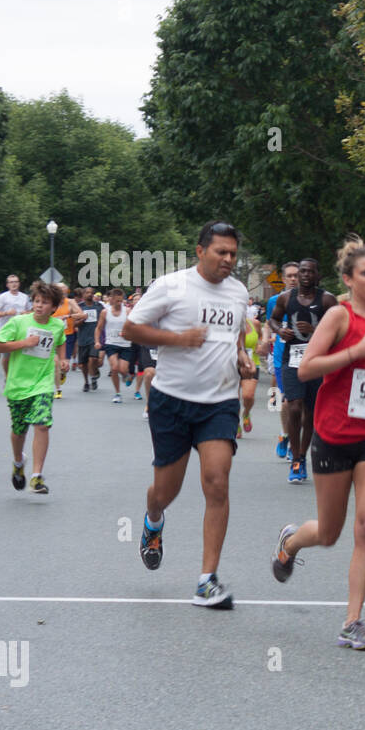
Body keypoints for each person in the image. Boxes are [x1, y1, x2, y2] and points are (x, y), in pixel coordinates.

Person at [272, 240, 365, 650]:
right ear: (349, 279)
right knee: (331, 532)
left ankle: (352, 621)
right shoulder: (339, 315)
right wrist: (354, 350)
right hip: (333, 436)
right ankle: (291, 540)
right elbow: (305, 368)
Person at [123, 221, 256, 610]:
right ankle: (152, 518)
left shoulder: (238, 292)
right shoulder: (171, 286)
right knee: (166, 492)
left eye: (233, 253)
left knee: (217, 482)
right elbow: (132, 329)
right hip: (172, 401)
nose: (228, 260)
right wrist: (178, 339)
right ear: (200, 251)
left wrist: (242, 356)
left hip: (219, 402)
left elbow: (233, 337)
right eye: (221, 252)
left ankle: (206, 580)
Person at [0, 280, 69, 495]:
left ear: (54, 307)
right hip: (18, 385)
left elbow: (61, 340)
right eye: (36, 301)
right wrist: (25, 343)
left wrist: (63, 360)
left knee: (42, 424)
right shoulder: (18, 322)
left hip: (43, 384)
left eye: (45, 302)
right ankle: (18, 462)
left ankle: (37, 476)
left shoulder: (56, 325)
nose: (39, 305)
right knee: (19, 431)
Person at [269, 257, 336, 483]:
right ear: (297, 276)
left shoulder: (327, 300)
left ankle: (302, 455)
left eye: (310, 272)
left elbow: (339, 329)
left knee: (311, 412)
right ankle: (295, 458)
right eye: (302, 272)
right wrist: (280, 331)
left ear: (317, 276)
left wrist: (315, 329)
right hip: (293, 359)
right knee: (294, 406)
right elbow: (273, 320)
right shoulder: (286, 298)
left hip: (317, 360)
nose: (306, 275)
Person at [260, 261, 300, 460]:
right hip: (281, 357)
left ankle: (292, 438)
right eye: (290, 276)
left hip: (304, 357)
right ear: (283, 279)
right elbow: (270, 322)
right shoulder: (275, 301)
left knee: (301, 405)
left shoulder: (310, 301)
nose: (293, 279)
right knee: (286, 402)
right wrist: (266, 339)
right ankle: (288, 437)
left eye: (296, 275)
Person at [97, 288, 132, 404]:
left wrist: (127, 333)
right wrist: (97, 341)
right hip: (111, 343)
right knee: (114, 368)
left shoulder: (127, 311)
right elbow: (99, 328)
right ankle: (117, 393)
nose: (119, 303)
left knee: (122, 369)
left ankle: (126, 374)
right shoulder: (105, 312)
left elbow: (134, 326)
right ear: (111, 299)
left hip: (126, 344)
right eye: (117, 301)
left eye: (121, 301)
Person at [0, 275, 32, 379]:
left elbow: (31, 311)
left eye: (16, 282)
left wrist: (26, 313)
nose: (14, 284)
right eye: (11, 282)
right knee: (7, 356)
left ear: (19, 283)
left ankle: (18, 376)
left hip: (21, 330)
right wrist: (6, 313)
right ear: (7, 285)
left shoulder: (24, 297)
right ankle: (7, 377)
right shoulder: (3, 297)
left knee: (21, 355)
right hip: (6, 330)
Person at [50, 285, 81, 399]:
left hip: (67, 336)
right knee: (55, 363)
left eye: (64, 291)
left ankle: (62, 373)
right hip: (52, 336)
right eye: (60, 291)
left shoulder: (70, 302)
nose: (63, 293)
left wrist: (67, 316)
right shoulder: (51, 302)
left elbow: (81, 314)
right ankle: (58, 389)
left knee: (64, 366)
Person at [238, 300, 260, 437]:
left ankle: (246, 413)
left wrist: (260, 345)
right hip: (232, 364)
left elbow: (261, 337)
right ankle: (234, 423)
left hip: (252, 364)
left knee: (248, 395)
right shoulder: (229, 325)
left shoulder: (255, 323)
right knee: (232, 398)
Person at [76, 288, 103, 391]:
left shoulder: (99, 306)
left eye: (92, 293)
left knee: (93, 359)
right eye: (87, 292)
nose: (90, 294)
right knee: (83, 364)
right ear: (83, 294)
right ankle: (86, 382)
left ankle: (94, 375)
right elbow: (74, 323)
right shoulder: (79, 307)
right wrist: (82, 319)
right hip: (83, 338)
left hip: (95, 338)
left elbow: (103, 320)